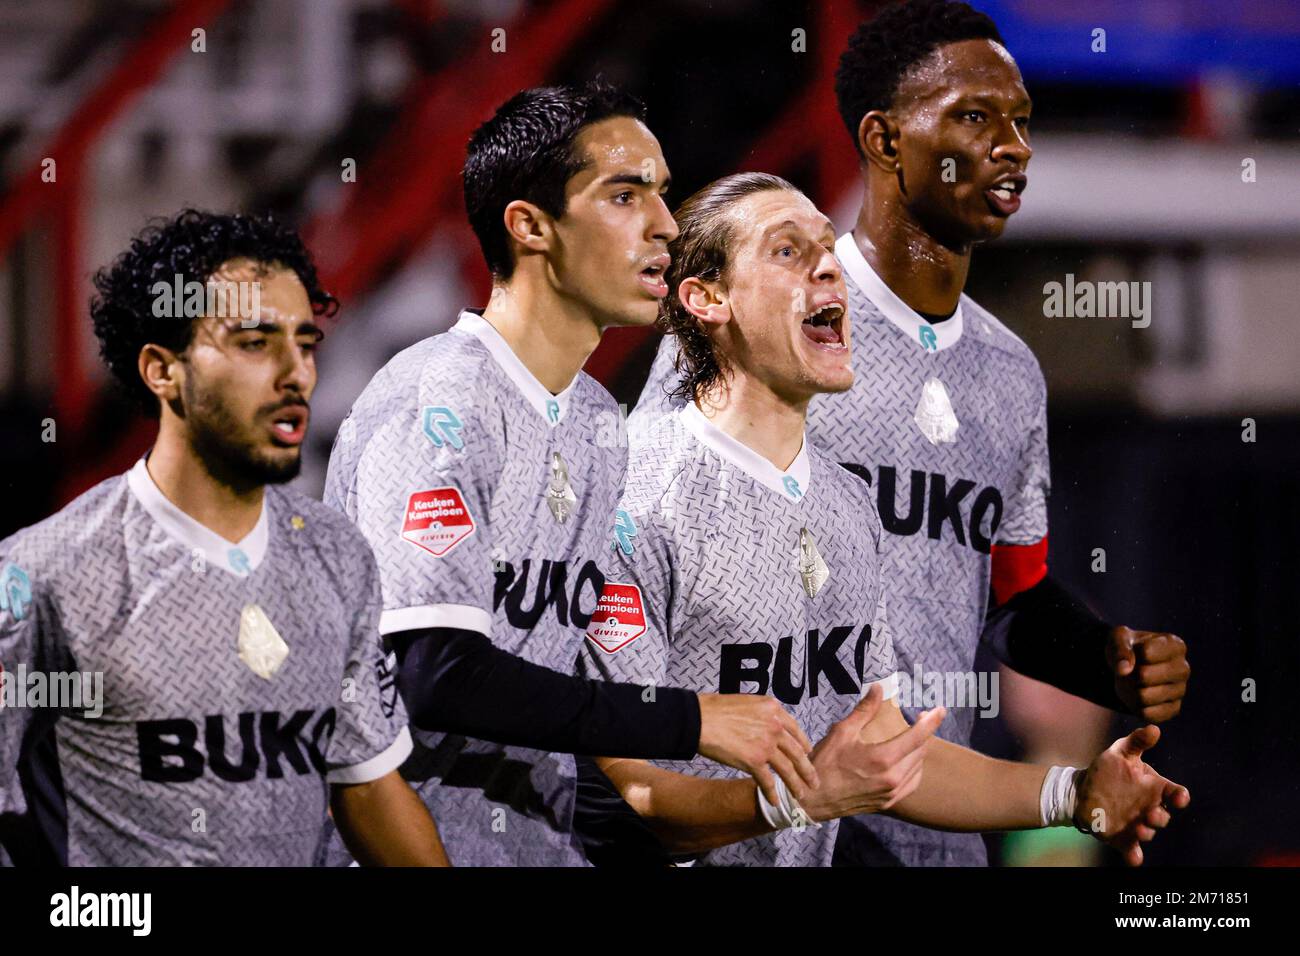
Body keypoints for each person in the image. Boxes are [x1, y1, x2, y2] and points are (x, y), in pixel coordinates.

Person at [627, 0, 1190, 867]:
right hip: (745, 825)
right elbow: (642, 554)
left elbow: (1014, 595)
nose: (1013, 145)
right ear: (885, 140)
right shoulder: (761, 320)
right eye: (974, 115)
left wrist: (1101, 661)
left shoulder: (1008, 375)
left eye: (1022, 121)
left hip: (934, 811)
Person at [324, 82, 819, 866]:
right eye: (624, 194)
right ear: (530, 227)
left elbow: (572, 697)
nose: (665, 223)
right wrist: (690, 720)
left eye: (661, 191)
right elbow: (437, 674)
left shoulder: (596, 421)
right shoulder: (439, 402)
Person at [0, 210, 448, 866]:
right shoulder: (44, 573)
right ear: (163, 371)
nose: (296, 373)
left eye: (305, 342)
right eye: (254, 343)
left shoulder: (337, 555)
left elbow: (368, 787)